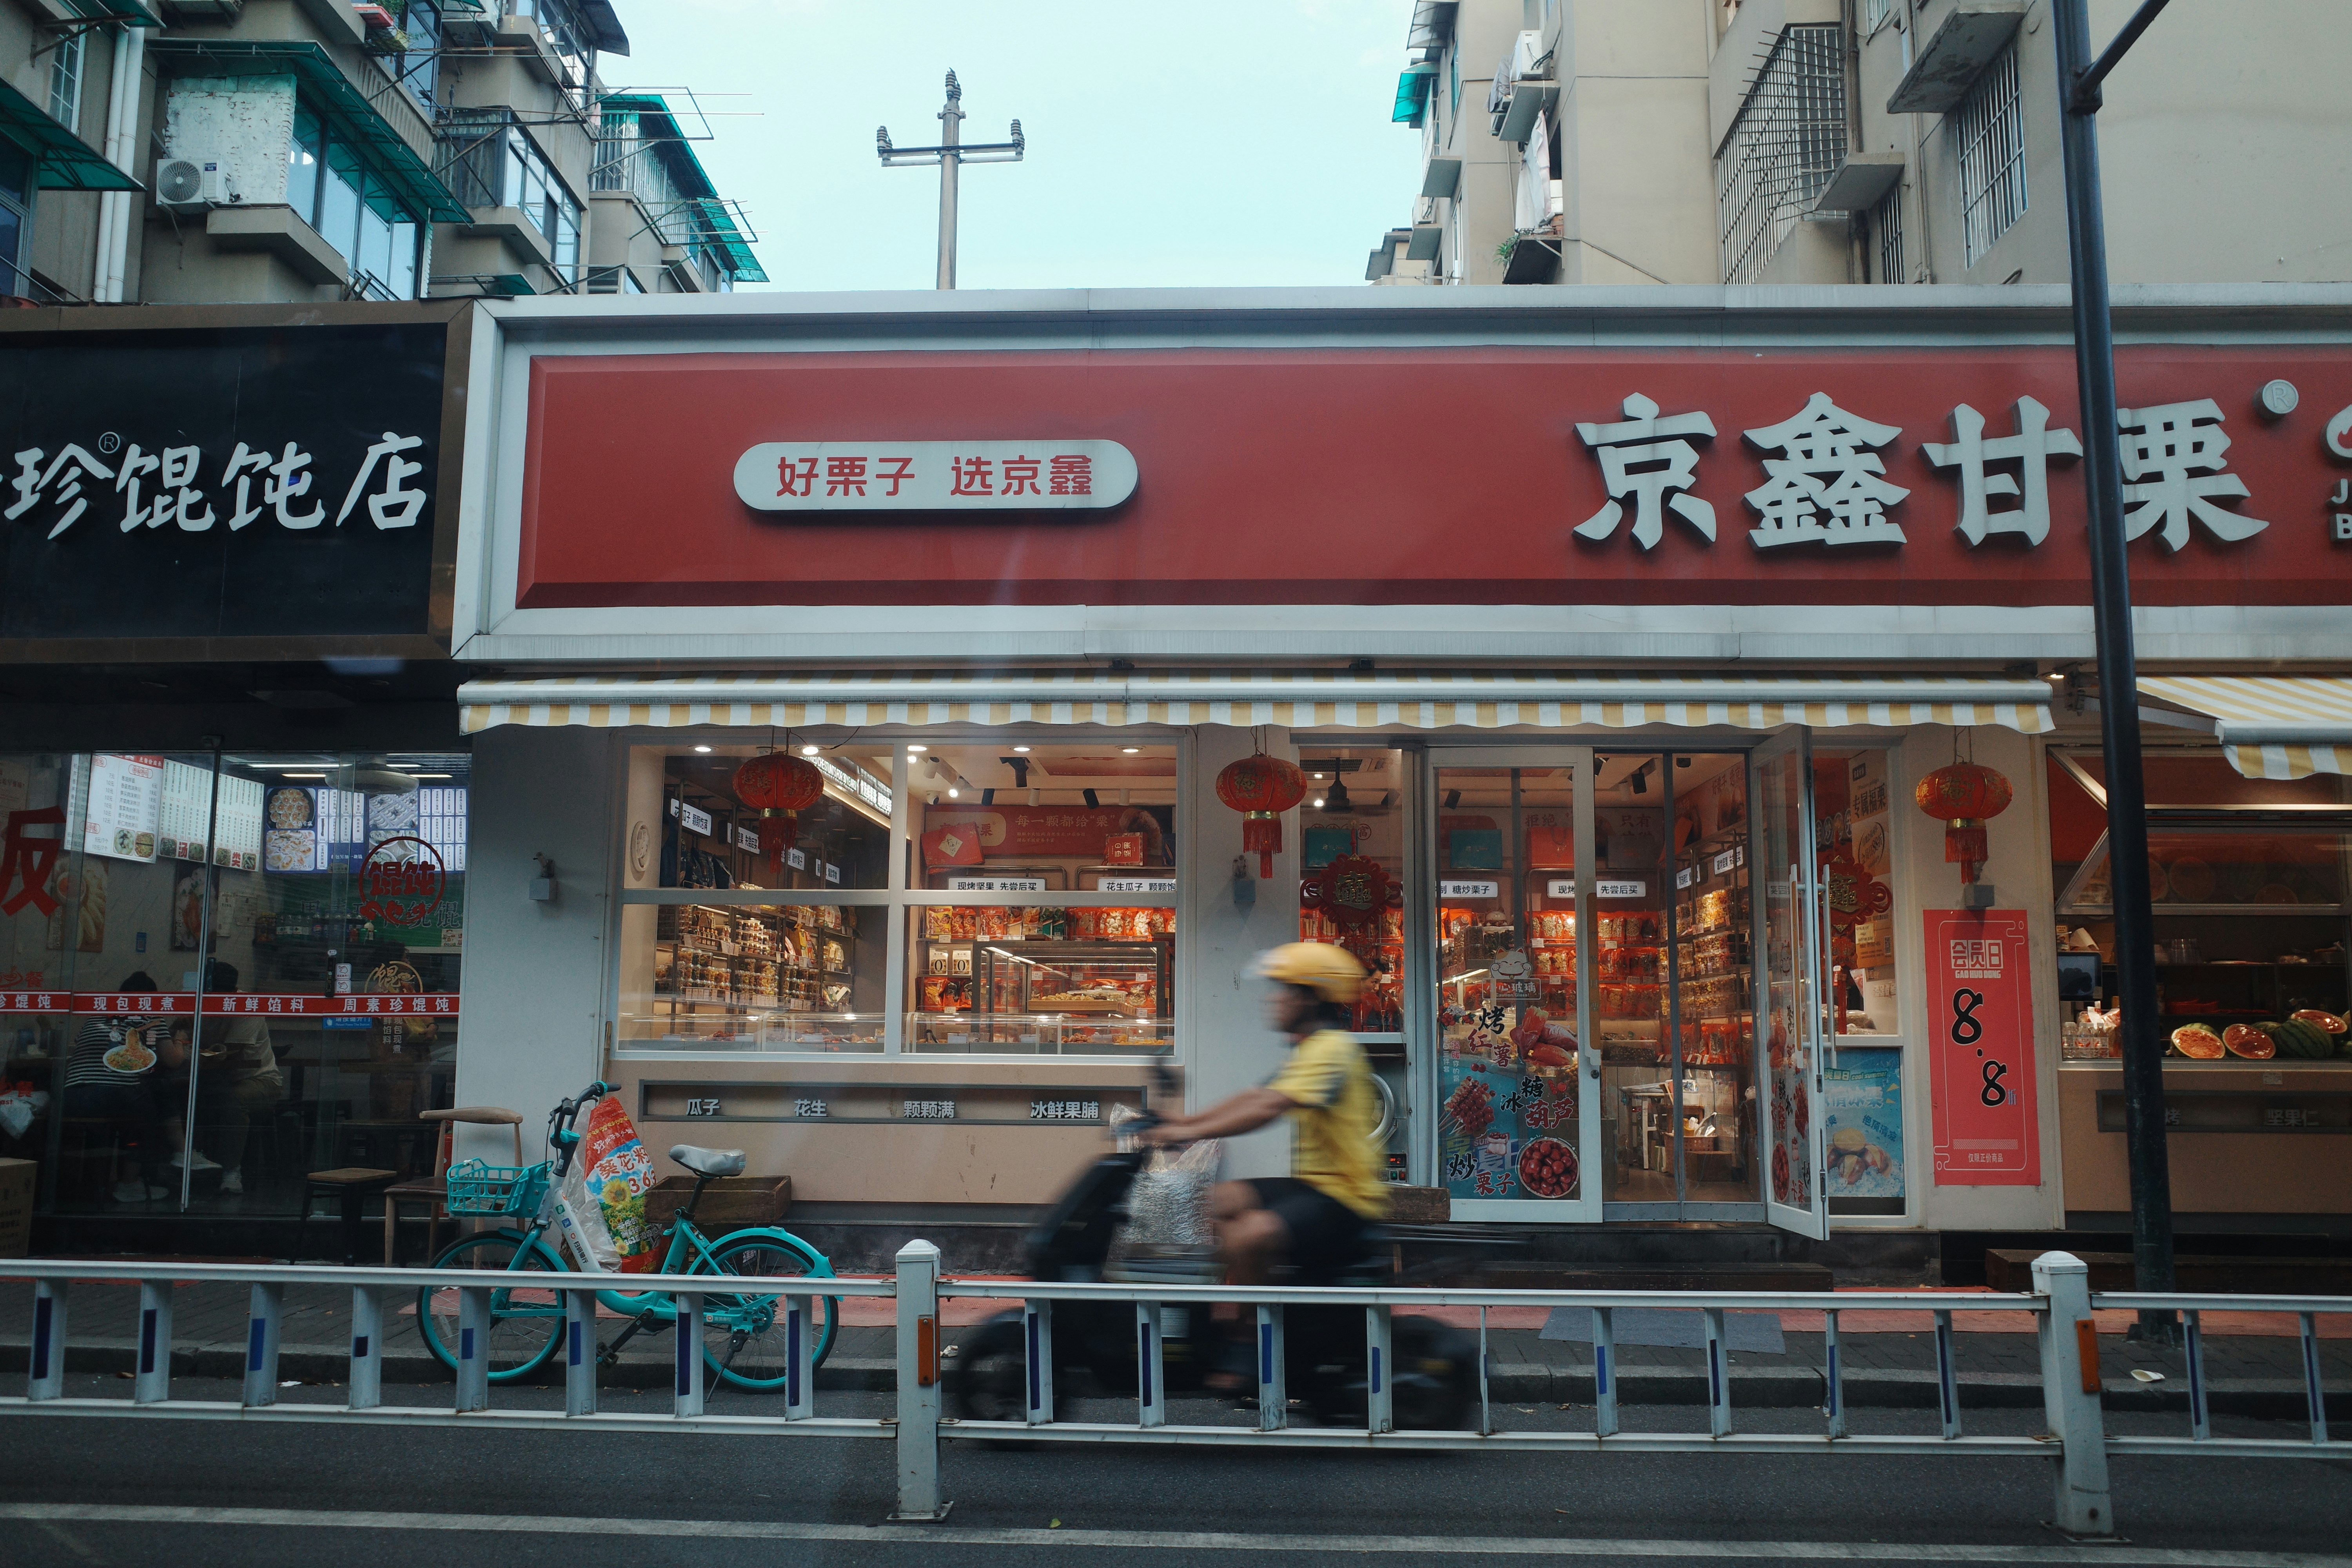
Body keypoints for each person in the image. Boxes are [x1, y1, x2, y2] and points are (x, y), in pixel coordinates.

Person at [1142, 942, 1388, 1290]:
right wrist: (1184, 1124)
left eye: (1283, 990)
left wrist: (1185, 1131)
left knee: (1249, 1235)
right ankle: (1259, 1290)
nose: (1272, 999)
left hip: (1347, 1200)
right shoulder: (1311, 1048)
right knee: (1215, 1201)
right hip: (1314, 1186)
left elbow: (1268, 1108)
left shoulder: (1333, 1049)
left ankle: (1250, 1328)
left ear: (1309, 998)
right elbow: (1256, 1096)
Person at [61, 971, 174, 1203]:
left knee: (115, 1122)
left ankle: (96, 1186)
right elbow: (170, 1060)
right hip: (115, 1095)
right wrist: (181, 1040)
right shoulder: (149, 1015)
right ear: (151, 998)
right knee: (149, 1118)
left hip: (72, 1097)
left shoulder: (97, 1016)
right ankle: (128, 1184)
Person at [194, 959, 281, 1196]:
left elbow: (231, 1052)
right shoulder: (201, 1003)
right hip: (215, 1078)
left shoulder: (247, 1006)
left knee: (234, 1100)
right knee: (183, 1094)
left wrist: (192, 1054)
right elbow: (182, 1033)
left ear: (232, 992)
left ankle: (231, 1171)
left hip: (260, 1080)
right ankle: (191, 1159)